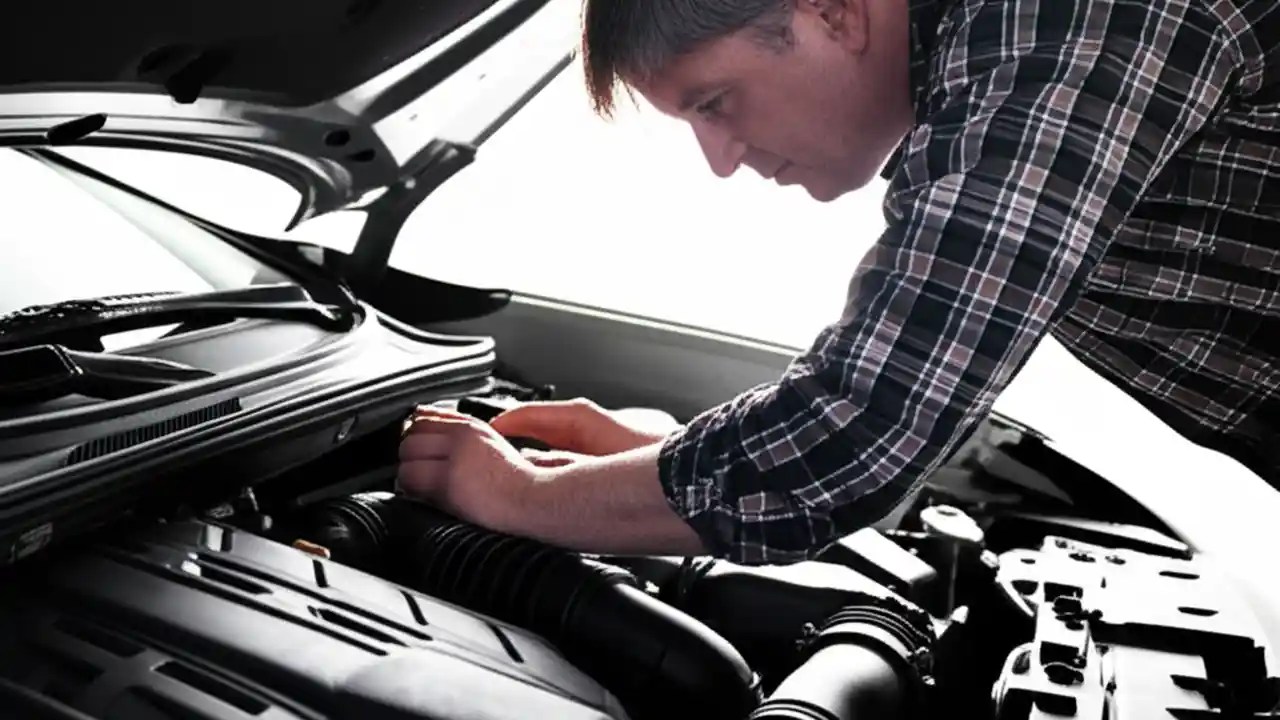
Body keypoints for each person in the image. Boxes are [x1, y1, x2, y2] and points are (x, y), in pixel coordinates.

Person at [398, 0, 1279, 565]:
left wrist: (521, 495)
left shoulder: (1073, 23)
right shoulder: (986, 75)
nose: (720, 160)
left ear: (830, 10)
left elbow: (865, 422)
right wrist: (647, 469)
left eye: (712, 103)